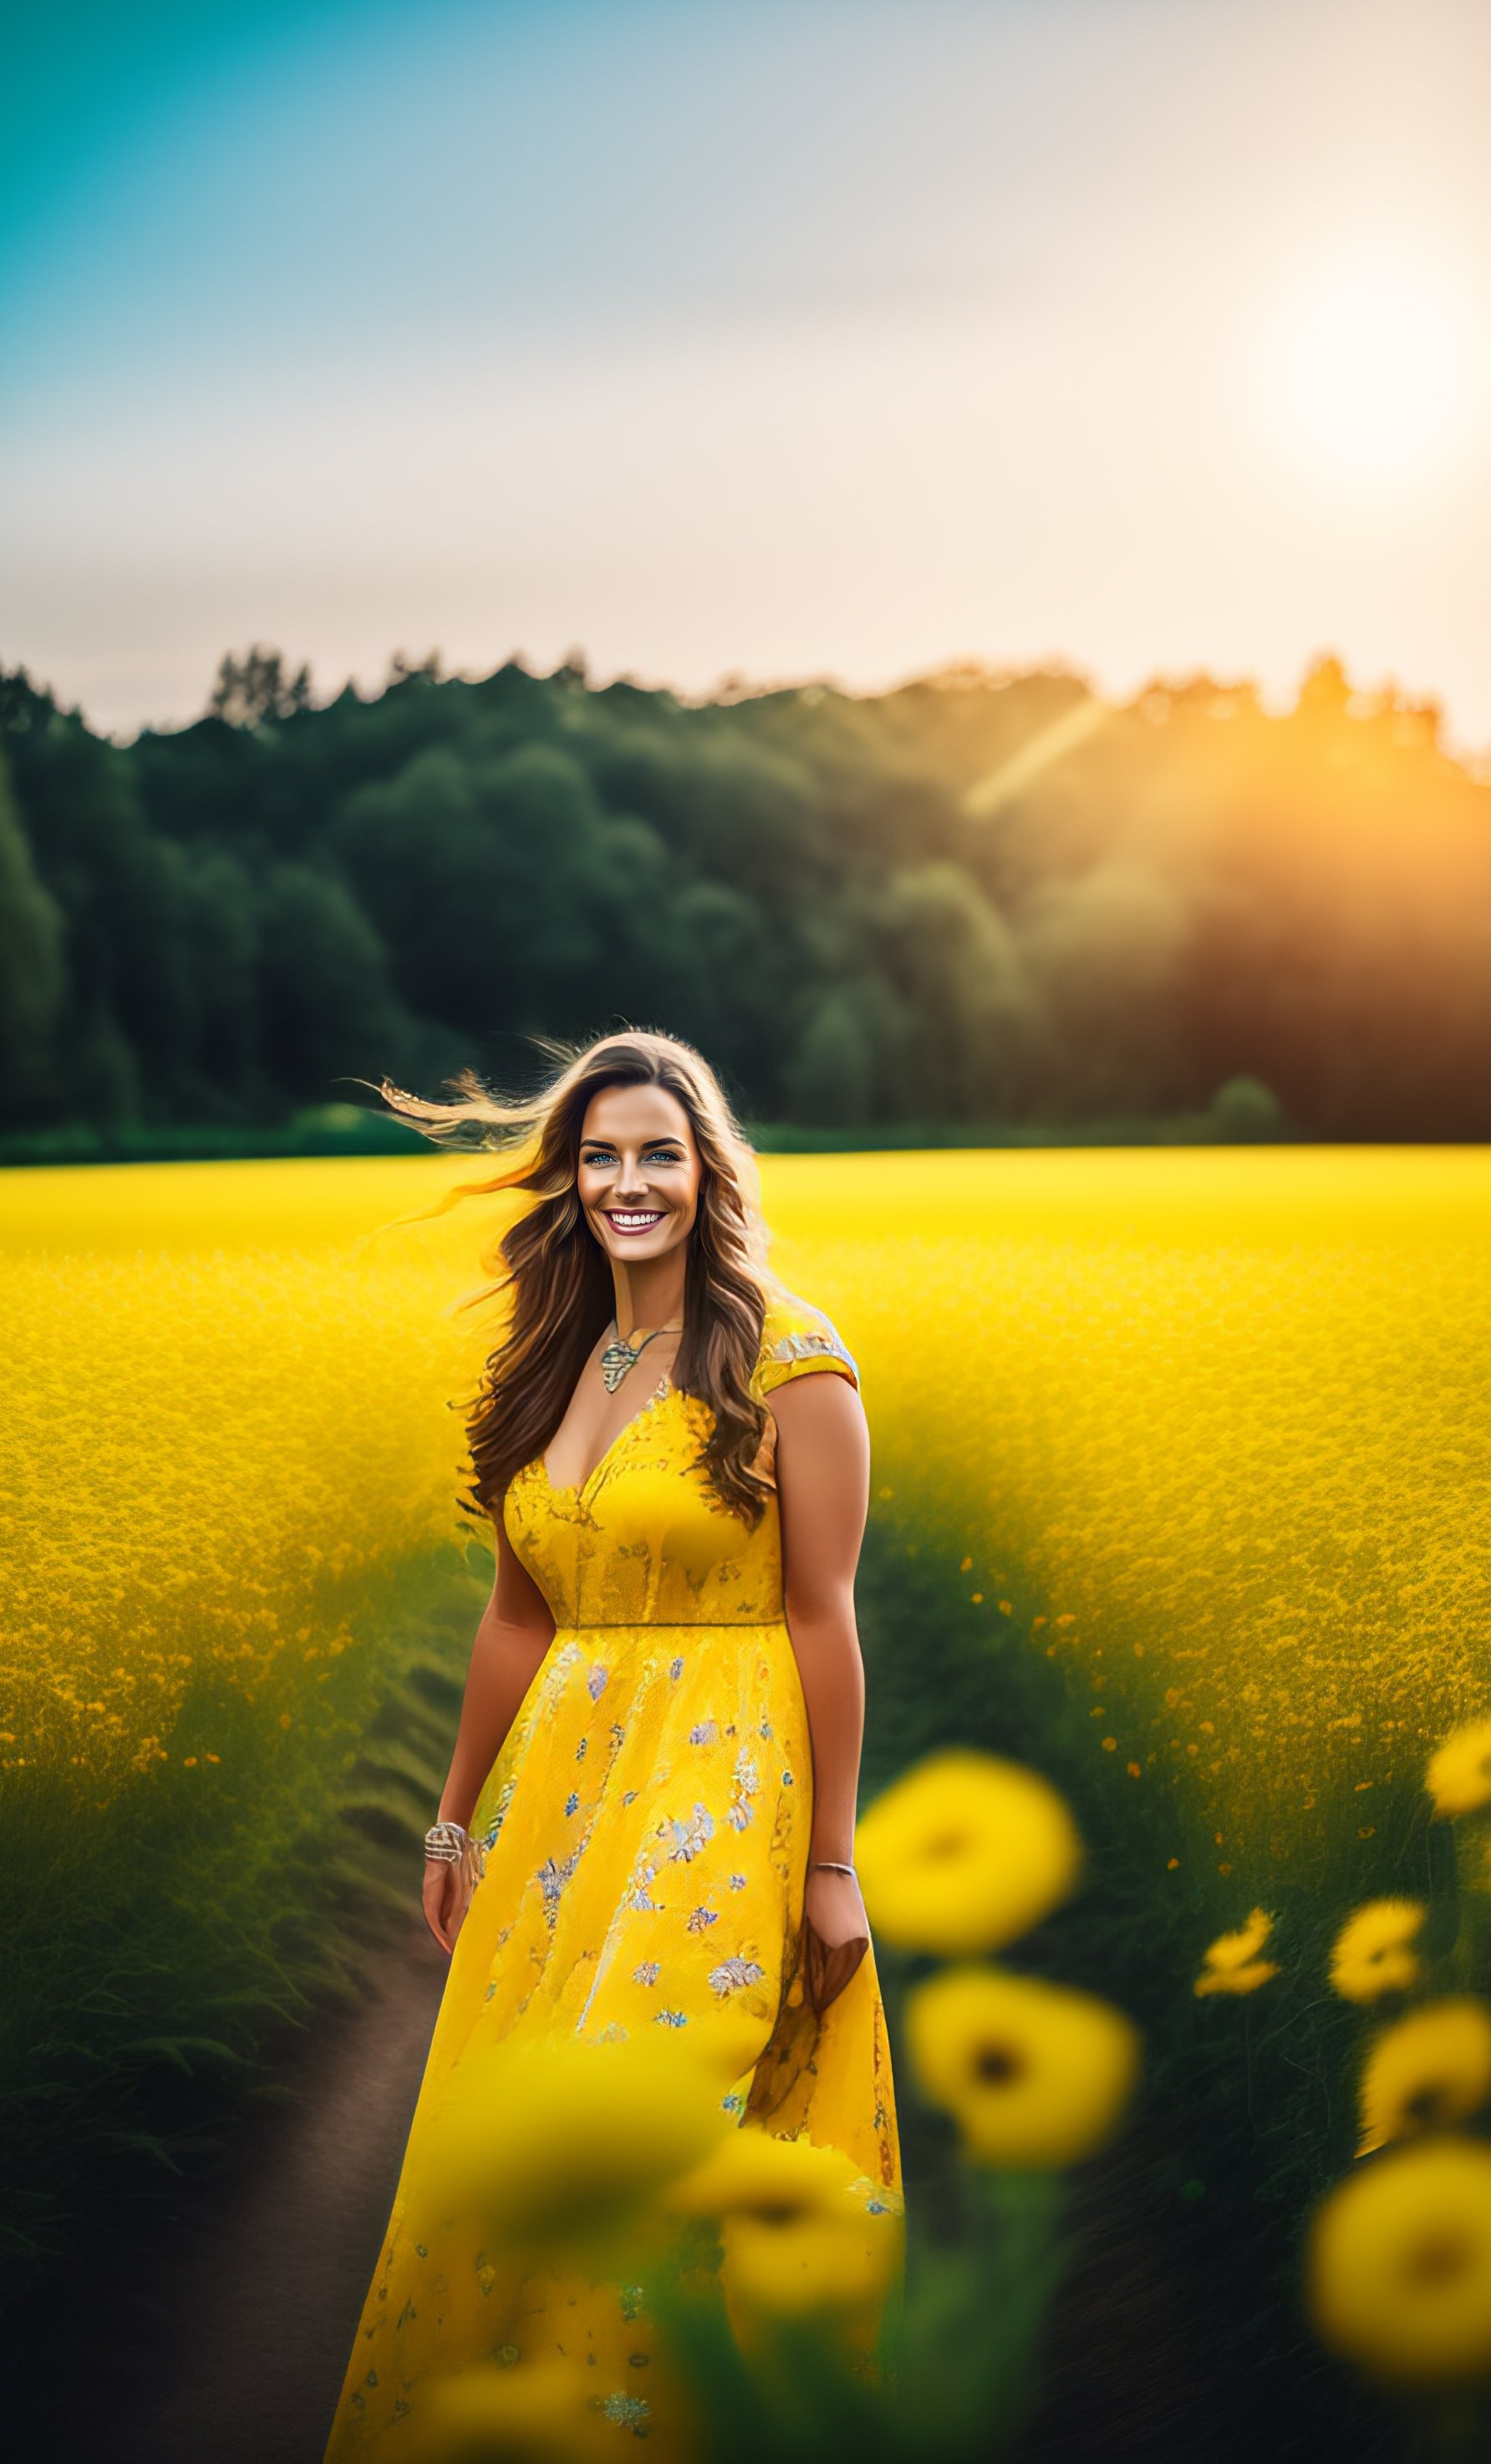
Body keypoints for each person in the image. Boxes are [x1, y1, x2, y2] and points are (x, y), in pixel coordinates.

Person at [323, 1032, 900, 2456]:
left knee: (655, 2119)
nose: (626, 1182)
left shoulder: (791, 1356)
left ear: (710, 1169)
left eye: (658, 1152)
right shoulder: (564, 1357)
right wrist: (453, 1820)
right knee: (526, 2140)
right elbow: (516, 1622)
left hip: (726, 1774)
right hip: (563, 1812)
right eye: (599, 1156)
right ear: (571, 1180)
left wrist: (831, 1863)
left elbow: (826, 1619)